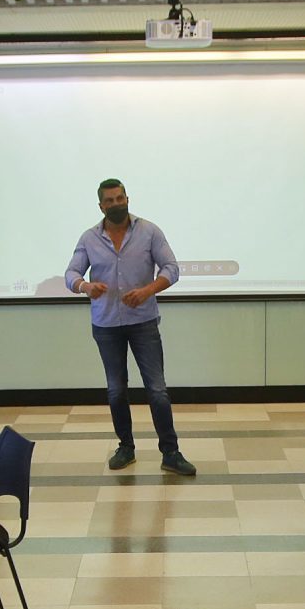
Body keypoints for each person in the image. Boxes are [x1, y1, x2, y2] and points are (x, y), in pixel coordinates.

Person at [66, 177, 194, 476]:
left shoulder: (149, 232)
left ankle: (170, 452)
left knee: (157, 390)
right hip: (106, 324)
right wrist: (85, 286)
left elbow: (172, 269)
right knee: (115, 391)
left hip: (143, 323)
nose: (115, 204)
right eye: (109, 201)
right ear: (101, 206)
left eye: (119, 198)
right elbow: (71, 272)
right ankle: (126, 447)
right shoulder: (89, 238)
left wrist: (148, 290)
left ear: (127, 199)